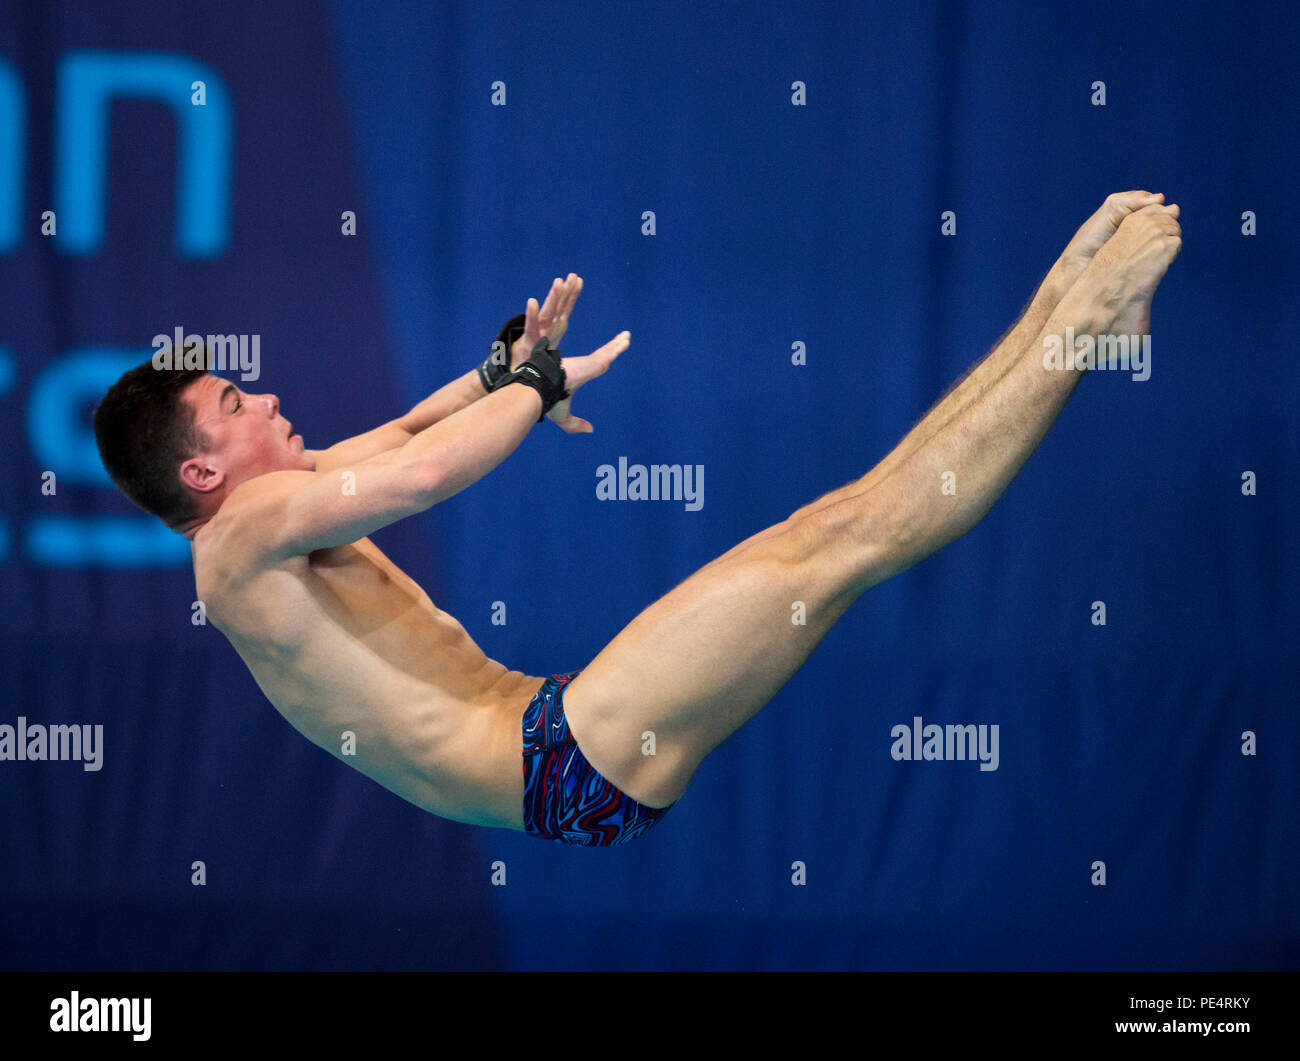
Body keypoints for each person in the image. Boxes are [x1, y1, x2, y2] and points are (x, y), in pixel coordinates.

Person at [93, 191, 1181, 846]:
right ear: (199, 470)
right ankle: (1075, 324)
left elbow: (410, 430)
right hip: (564, 752)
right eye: (238, 404)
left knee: (836, 534)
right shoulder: (238, 539)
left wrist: (504, 370)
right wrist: (534, 385)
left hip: (567, 749)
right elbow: (419, 480)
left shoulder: (269, 524)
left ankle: (1071, 306)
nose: (269, 398)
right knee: (845, 539)